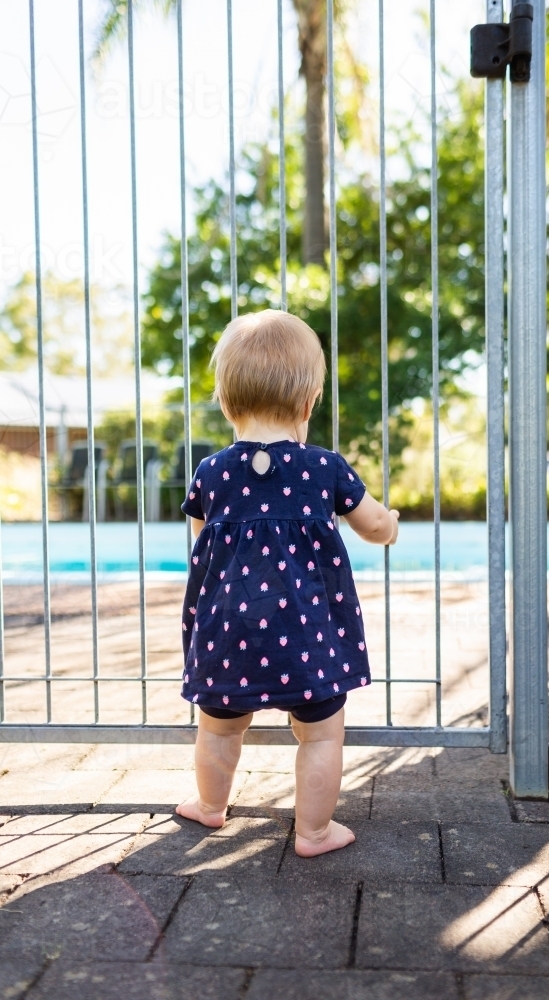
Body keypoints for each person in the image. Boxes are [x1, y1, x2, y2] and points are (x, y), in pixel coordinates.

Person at [176, 309, 399, 857]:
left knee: (219, 730)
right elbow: (373, 526)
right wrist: (390, 522)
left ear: (227, 403)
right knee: (321, 734)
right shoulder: (325, 469)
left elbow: (200, 544)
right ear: (308, 403)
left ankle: (210, 807)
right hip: (308, 635)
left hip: (227, 632)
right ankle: (314, 832)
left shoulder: (211, 473)